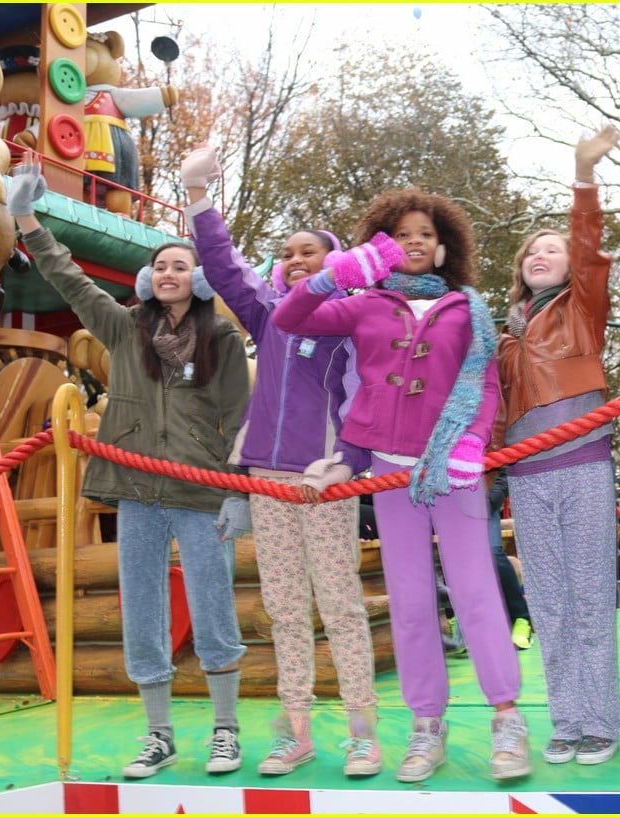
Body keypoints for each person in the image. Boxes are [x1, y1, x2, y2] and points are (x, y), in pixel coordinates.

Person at [270, 188, 530, 782]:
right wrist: (337, 273)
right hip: (387, 472)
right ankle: (425, 727)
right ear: (386, 245)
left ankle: (507, 721)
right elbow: (288, 319)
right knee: (412, 606)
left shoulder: (468, 311)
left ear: (444, 250)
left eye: (427, 235)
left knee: (476, 595)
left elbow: (486, 387)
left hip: (452, 472)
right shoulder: (364, 305)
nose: (416, 241)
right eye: (405, 233)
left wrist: (471, 443)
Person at [8, 158, 250, 777]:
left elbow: (237, 414)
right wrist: (27, 218)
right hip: (138, 492)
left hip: (200, 493)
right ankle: (159, 735)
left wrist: (238, 492)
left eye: (181, 265)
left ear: (196, 279)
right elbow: (70, 280)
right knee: (142, 611)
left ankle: (226, 730)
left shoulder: (219, 338)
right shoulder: (122, 328)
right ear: (147, 279)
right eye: (161, 265)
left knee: (214, 606)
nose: (169, 272)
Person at [178, 146, 381, 777]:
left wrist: (347, 460)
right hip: (266, 479)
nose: (295, 261)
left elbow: (365, 398)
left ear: (335, 264)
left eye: (309, 252)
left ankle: (362, 733)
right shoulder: (267, 316)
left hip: (324, 480)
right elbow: (222, 264)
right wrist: (197, 194)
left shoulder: (353, 320)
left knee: (341, 606)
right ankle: (295, 731)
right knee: (285, 608)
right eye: (287, 253)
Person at [492, 125, 620, 766]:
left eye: (553, 247)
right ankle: (567, 720)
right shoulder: (506, 334)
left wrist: (583, 175)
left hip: (580, 465)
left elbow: (592, 250)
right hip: (526, 476)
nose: (540, 254)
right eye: (531, 251)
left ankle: (600, 721)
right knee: (547, 602)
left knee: (590, 595)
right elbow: (489, 410)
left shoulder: (581, 309)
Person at [486, 472, 533, 649]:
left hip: (483, 501)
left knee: (493, 554)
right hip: (446, 505)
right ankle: (456, 622)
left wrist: (490, 500)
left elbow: (506, 468)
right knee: (447, 557)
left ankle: (521, 618)